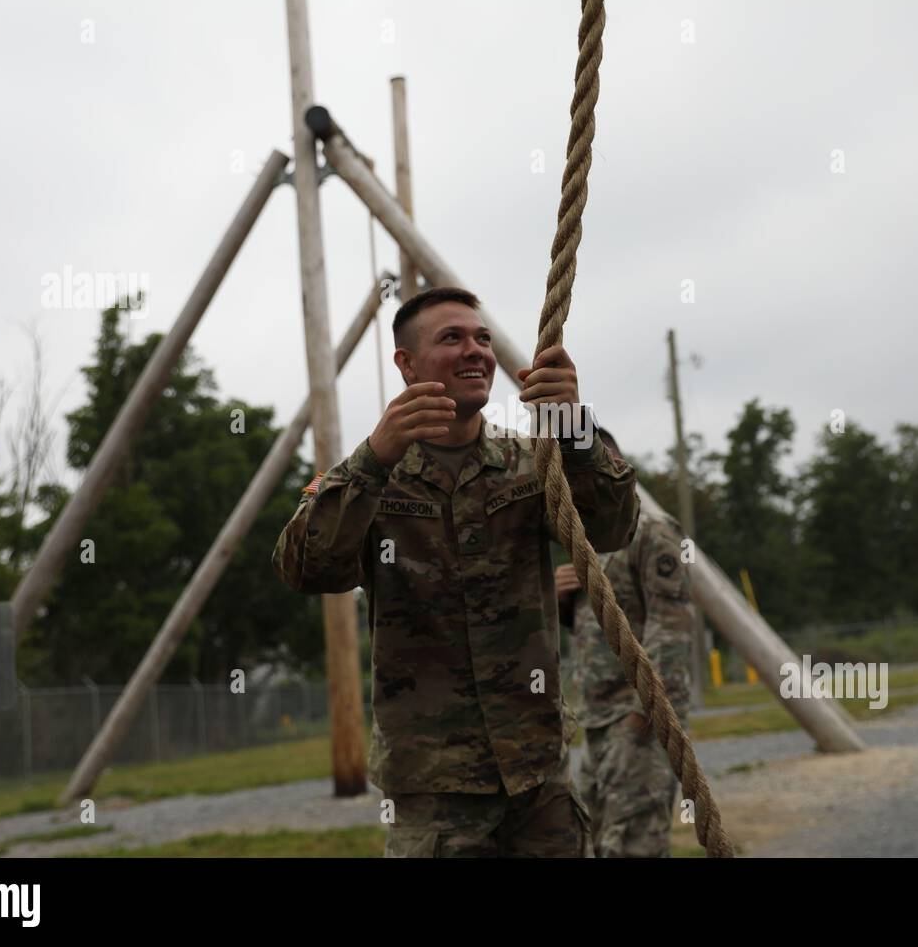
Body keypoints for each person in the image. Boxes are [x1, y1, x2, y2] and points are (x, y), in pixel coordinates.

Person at [273, 286, 639, 857]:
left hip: (536, 775)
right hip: (433, 790)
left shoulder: (529, 462)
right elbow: (304, 568)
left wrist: (576, 428)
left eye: (483, 338)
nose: (477, 352)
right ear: (406, 363)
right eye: (453, 338)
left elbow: (614, 529)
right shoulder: (372, 477)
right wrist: (373, 459)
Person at [556, 430, 694, 857]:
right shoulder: (586, 542)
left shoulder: (652, 533)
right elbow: (594, 631)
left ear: (612, 461)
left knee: (634, 844)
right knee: (595, 842)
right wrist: (560, 600)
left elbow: (670, 629)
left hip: (638, 719)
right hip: (598, 719)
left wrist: (645, 716)